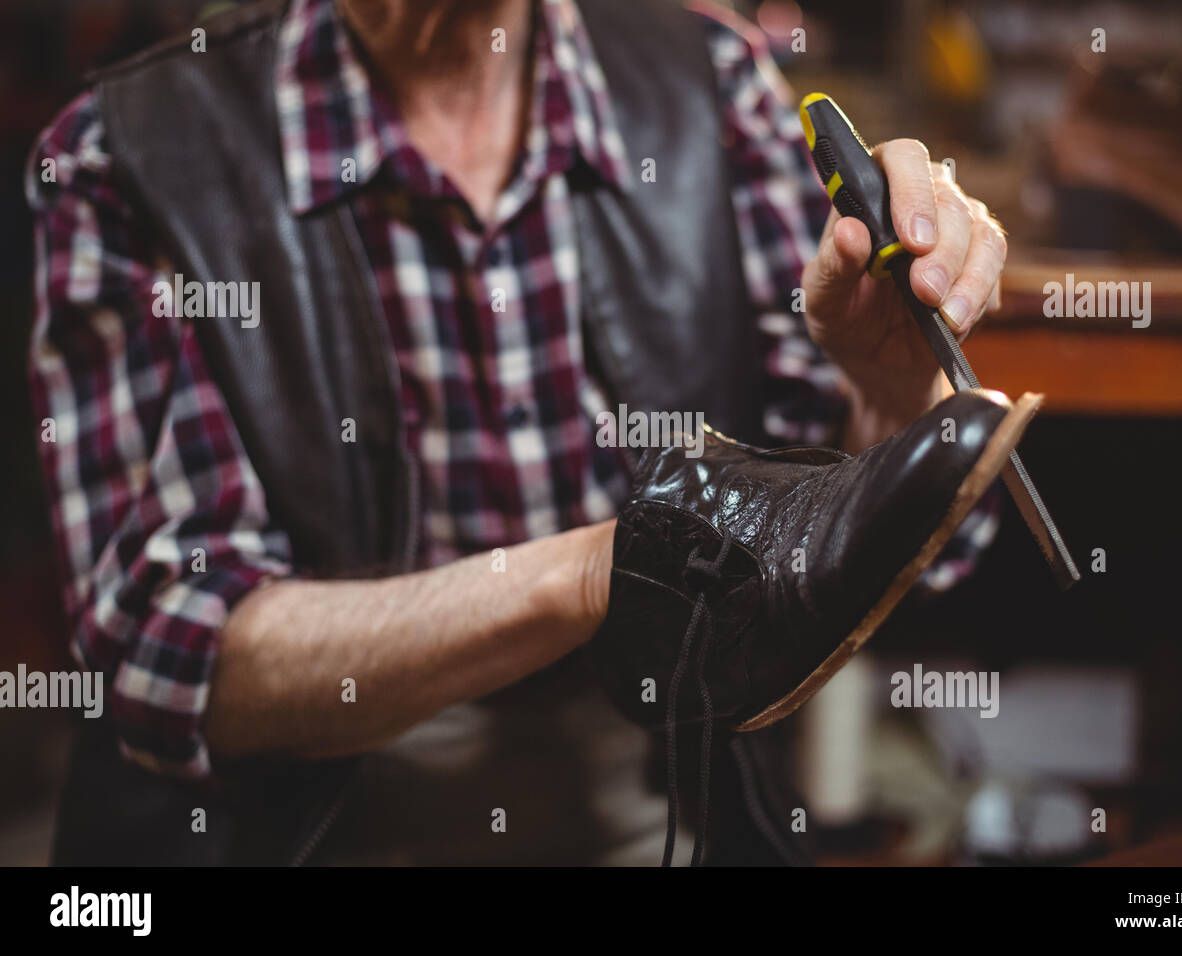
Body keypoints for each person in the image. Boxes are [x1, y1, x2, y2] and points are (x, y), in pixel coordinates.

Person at [27, 0, 1008, 865]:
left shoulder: (708, 80)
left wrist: (892, 383)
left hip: (661, 791)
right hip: (317, 818)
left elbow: (864, 532)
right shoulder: (135, 153)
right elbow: (171, 652)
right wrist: (592, 574)